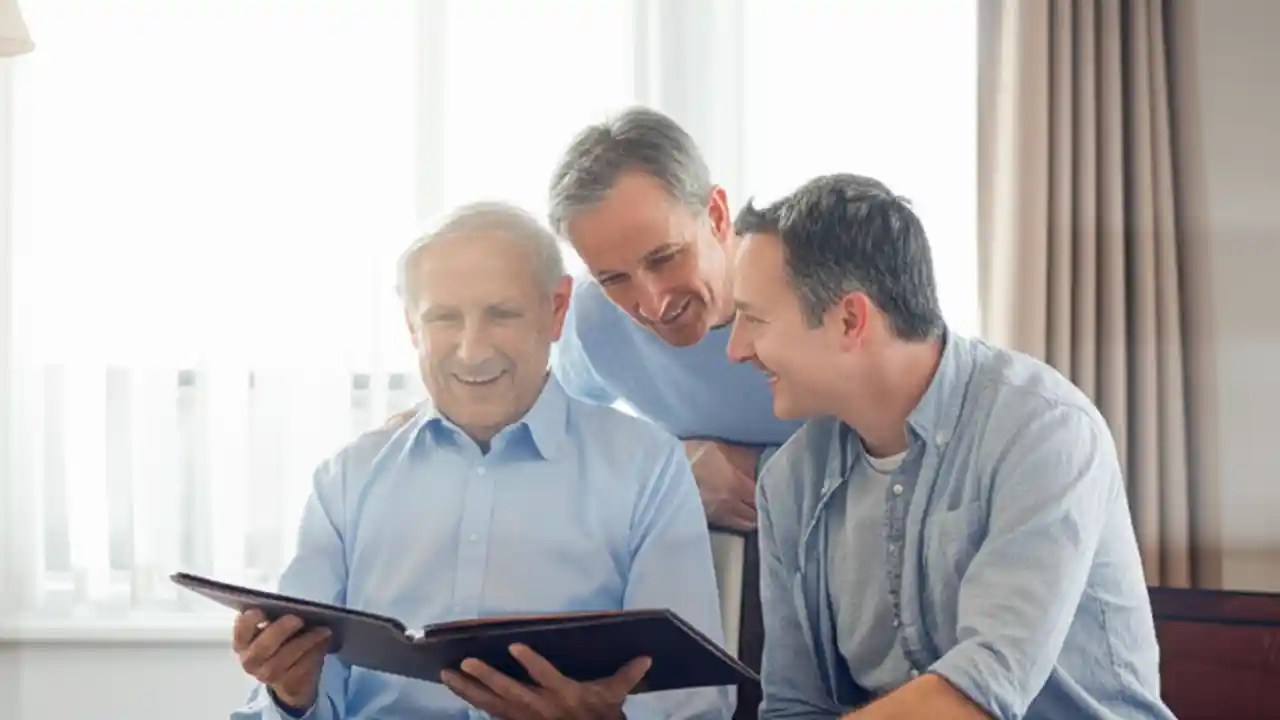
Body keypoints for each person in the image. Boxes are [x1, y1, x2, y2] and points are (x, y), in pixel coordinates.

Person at [230, 202, 734, 720]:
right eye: (444, 318)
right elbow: (284, 702)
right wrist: (290, 696)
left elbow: (693, 703)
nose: (472, 351)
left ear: (557, 310)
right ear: (411, 327)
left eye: (503, 314)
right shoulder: (345, 481)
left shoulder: (647, 469)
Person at [727, 173, 1176, 719]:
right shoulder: (790, 481)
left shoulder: (1043, 430)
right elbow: (795, 706)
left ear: (850, 319)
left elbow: (983, 692)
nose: (736, 349)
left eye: (754, 318)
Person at [546, 106, 802, 719]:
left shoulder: (807, 287)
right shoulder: (596, 322)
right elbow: (559, 432)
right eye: (614, 277)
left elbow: (908, 444)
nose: (652, 302)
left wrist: (766, 473)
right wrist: (678, 465)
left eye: (664, 258)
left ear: (716, 216)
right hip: (715, 587)